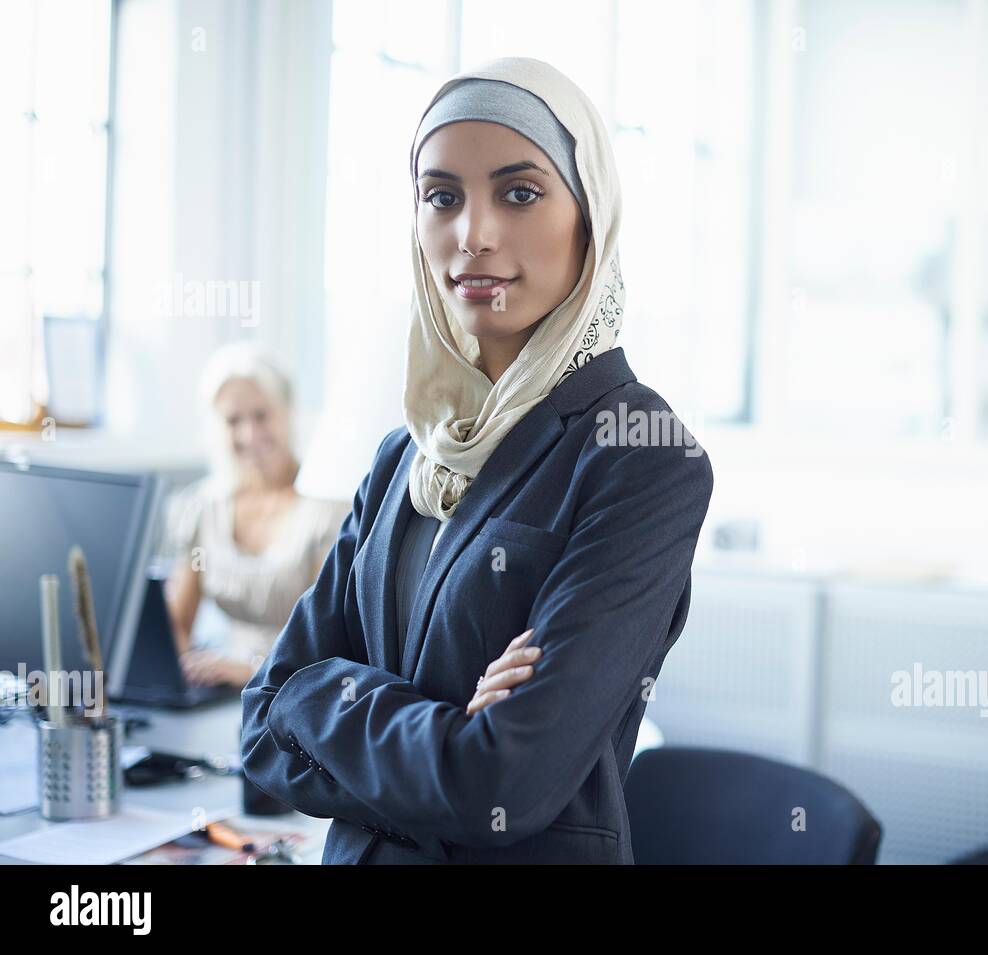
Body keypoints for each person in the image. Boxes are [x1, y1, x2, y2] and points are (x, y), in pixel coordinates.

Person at [240, 56, 713, 865]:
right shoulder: (403, 458)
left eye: (519, 192)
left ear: (589, 217)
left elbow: (503, 787)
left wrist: (319, 698)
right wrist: (447, 732)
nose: (474, 234)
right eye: (442, 196)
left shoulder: (642, 453)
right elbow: (258, 735)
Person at [165, 343, 349, 688]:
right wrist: (179, 675)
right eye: (233, 420)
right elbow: (178, 624)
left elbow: (327, 636)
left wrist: (251, 670)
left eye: (262, 415)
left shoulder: (326, 512)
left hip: (298, 689)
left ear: (288, 413)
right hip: (222, 690)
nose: (249, 435)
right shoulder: (205, 507)